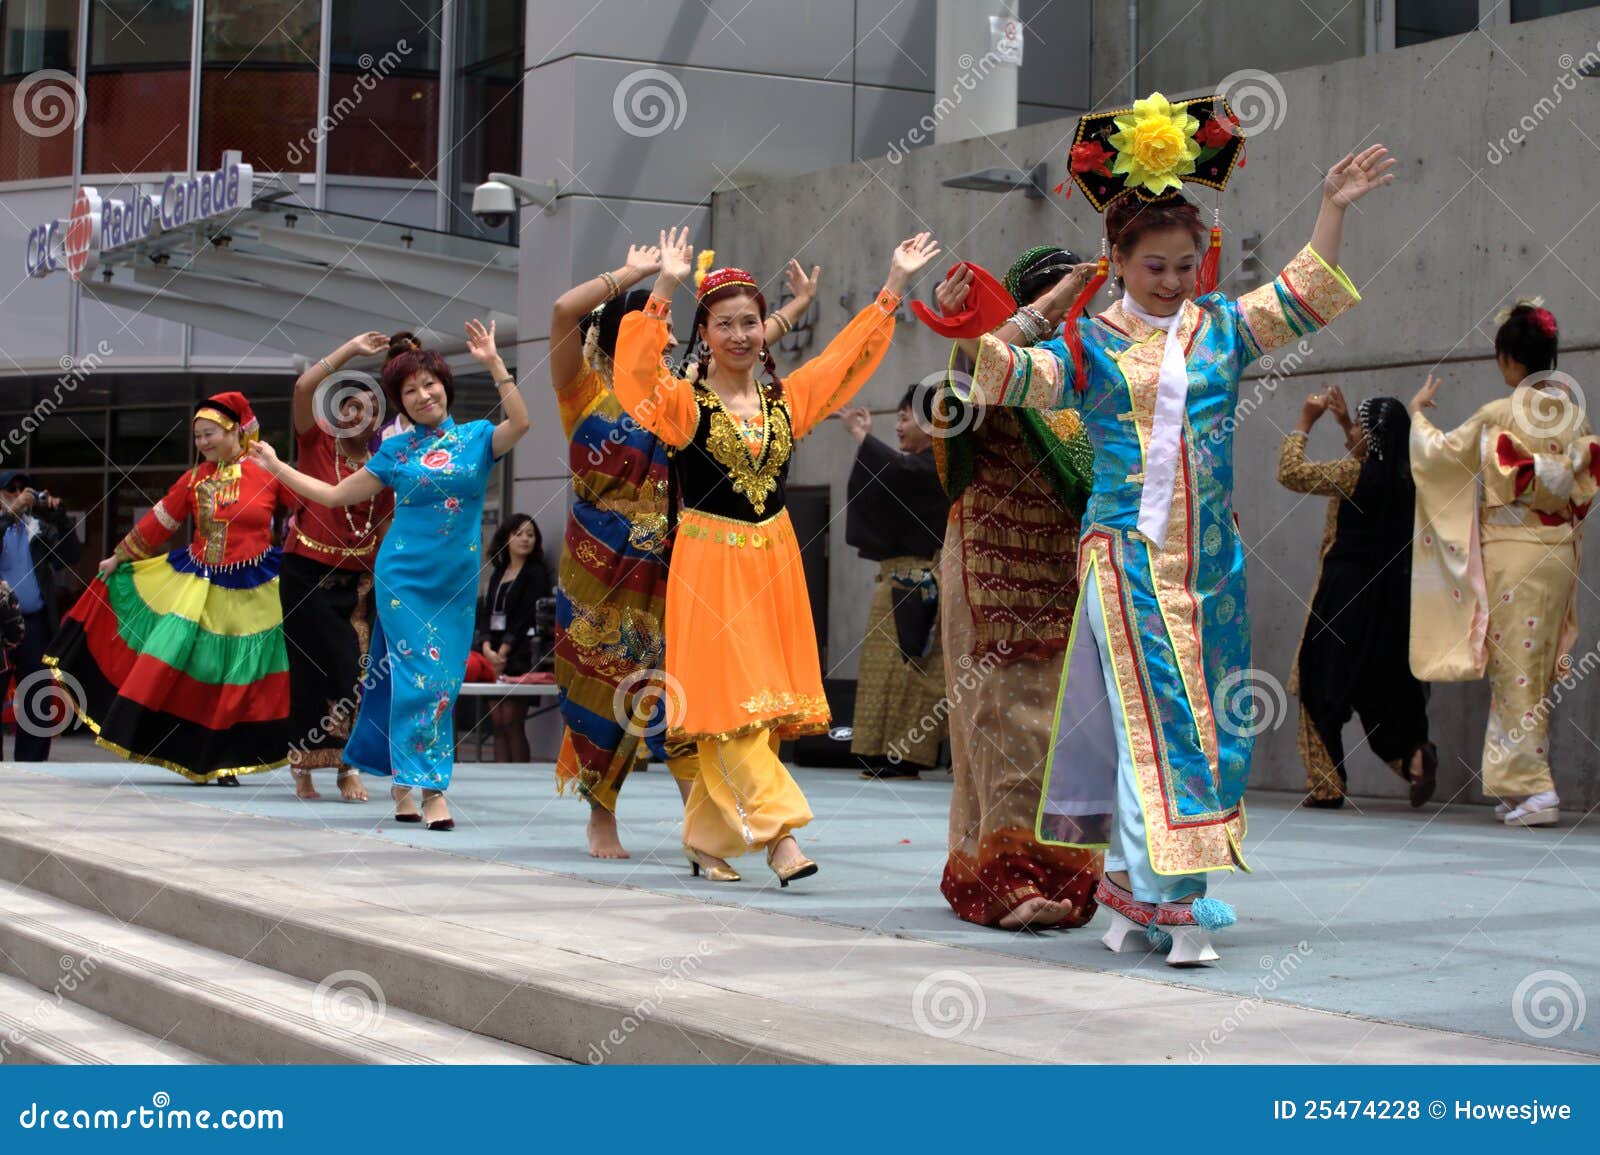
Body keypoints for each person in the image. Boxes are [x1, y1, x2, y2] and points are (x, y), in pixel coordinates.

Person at [952, 92, 1391, 962]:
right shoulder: (1089, 345)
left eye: (1186, 264)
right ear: (1116, 261)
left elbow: (1304, 293)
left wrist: (1332, 207)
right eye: (1154, 265)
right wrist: (1041, 307)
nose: (1173, 280)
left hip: (1213, 565)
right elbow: (994, 375)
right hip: (1123, 556)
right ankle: (1173, 900)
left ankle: (1126, 894)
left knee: (1195, 724)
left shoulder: (1222, 329)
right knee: (1166, 722)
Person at [612, 226, 940, 885]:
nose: (739, 335)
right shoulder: (682, 407)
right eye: (725, 324)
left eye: (751, 323)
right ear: (704, 333)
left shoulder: (786, 401)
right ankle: (781, 834)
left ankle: (707, 839)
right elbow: (635, 374)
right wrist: (666, 286)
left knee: (752, 704)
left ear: (767, 329)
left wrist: (895, 282)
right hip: (708, 565)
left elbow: (846, 359)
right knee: (730, 702)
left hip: (773, 559)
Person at [548, 245, 818, 859]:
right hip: (600, 567)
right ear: (623, 334)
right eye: (656, 328)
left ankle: (703, 828)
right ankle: (601, 816)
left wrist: (796, 306)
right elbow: (563, 312)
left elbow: (742, 338)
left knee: (687, 692)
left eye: (669, 332)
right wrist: (642, 275)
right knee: (602, 691)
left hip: (678, 560)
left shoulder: (684, 391)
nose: (667, 340)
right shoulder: (583, 389)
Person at [250, 322, 531, 832]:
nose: (424, 395)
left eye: (430, 384)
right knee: (423, 682)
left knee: (434, 683)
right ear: (400, 404)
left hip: (456, 585)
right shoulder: (395, 453)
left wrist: (493, 361)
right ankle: (431, 792)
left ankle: (401, 782)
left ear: (445, 385)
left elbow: (523, 423)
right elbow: (334, 496)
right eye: (410, 391)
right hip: (402, 578)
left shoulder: (478, 438)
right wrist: (274, 465)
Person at [923, 244, 1103, 930]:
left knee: (1066, 733)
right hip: (990, 571)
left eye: (1076, 309)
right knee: (999, 729)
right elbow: (963, 396)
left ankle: (1065, 876)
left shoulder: (1087, 382)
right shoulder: (992, 360)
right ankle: (1001, 879)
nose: (1068, 322)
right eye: (1059, 308)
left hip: (1067, 571)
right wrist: (1028, 319)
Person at [45, 393, 294, 782]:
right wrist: (119, 558)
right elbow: (161, 521)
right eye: (197, 437)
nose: (203, 444)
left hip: (255, 591)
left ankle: (227, 757)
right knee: (193, 667)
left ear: (233, 431)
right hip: (198, 587)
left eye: (209, 434)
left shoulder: (267, 473)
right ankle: (195, 753)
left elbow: (307, 509)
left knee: (240, 674)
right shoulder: (194, 479)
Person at [1409, 300, 1591, 828]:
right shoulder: (1574, 417)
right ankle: (1516, 782)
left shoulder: (1500, 415)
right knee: (1528, 670)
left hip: (1513, 553)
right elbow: (1581, 488)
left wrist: (1418, 413)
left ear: (1509, 360)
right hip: (1557, 553)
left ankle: (1537, 789)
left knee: (1517, 671)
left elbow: (1441, 457)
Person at [1279, 385, 1435, 810]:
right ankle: (1414, 758)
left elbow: (1290, 472)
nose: (1354, 438)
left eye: (1362, 430)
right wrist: (1347, 421)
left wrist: (1305, 423)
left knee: (1316, 683)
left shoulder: (1354, 477)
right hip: (1392, 601)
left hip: (1343, 599)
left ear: (1375, 437)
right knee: (1382, 688)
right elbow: (1370, 454)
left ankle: (1327, 786)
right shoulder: (1411, 479)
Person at [281, 332, 395, 803]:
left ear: (379, 420)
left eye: (370, 408)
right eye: (351, 405)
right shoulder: (315, 444)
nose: (358, 415)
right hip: (304, 575)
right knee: (306, 678)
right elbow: (304, 389)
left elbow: (385, 528)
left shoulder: (384, 466)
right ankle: (302, 767)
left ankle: (348, 766)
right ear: (338, 411)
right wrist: (349, 349)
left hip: (356, 585)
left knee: (353, 673)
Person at [839, 385, 950, 780]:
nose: (899, 426)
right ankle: (878, 750)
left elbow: (899, 473)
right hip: (895, 578)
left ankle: (906, 755)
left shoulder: (938, 465)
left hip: (920, 581)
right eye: (900, 417)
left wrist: (862, 437)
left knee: (911, 674)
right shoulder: (917, 466)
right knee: (883, 671)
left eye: (906, 418)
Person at [0, 470, 82, 760]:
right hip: (1, 625)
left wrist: (60, 516)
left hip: (34, 623)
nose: (21, 494)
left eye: (26, 489)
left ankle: (32, 763)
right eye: (12, 489)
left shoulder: (37, 528)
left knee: (36, 694)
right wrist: (10, 514)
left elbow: (70, 556)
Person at [475, 513, 553, 762]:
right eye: (518, 534)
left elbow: (525, 616)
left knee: (512, 720)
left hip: (521, 654)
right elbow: (487, 611)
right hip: (493, 652)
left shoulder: (536, 573)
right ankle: (497, 778)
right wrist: (487, 646)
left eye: (530, 534)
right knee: (497, 721)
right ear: (506, 538)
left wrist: (504, 651)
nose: (525, 539)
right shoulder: (499, 572)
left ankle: (520, 776)